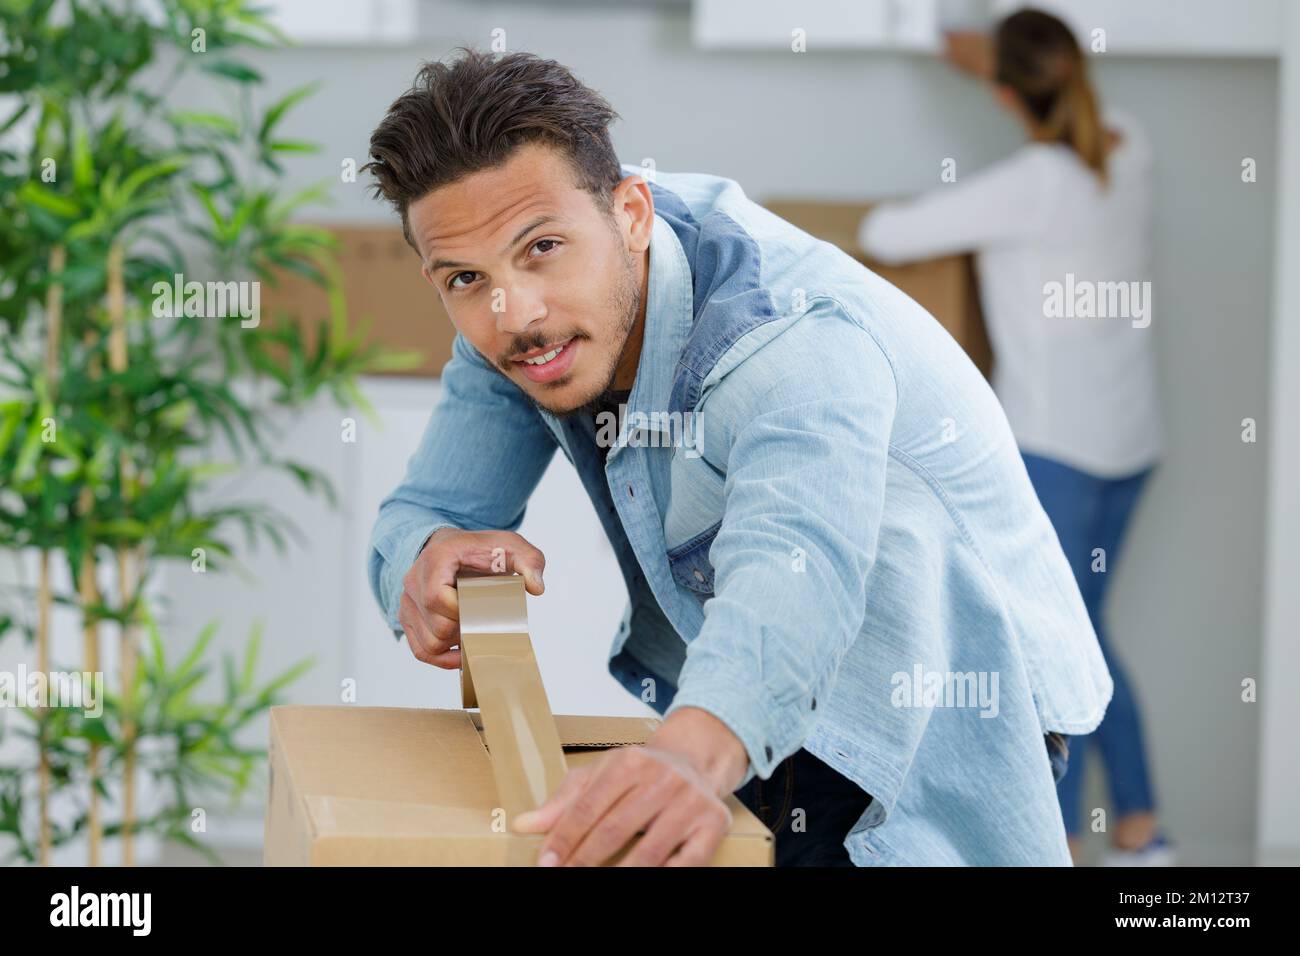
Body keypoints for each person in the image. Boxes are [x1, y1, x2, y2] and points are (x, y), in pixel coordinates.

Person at [365, 47, 1109, 866]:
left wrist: (689, 755)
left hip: (936, 685)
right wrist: (426, 556)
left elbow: (801, 571)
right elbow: (426, 512)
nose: (515, 312)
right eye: (464, 277)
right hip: (753, 692)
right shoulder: (515, 320)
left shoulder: (784, 341)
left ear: (632, 214)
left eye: (542, 248)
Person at [859, 9, 1169, 865]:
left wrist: (985, 68)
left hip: (1056, 444)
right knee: (1086, 627)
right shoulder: (1129, 147)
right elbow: (1069, 107)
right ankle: (1139, 829)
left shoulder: (1029, 182)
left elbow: (888, 231)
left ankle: (1070, 836)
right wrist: (1003, 70)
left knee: (1051, 640)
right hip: (1134, 439)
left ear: (1004, 90)